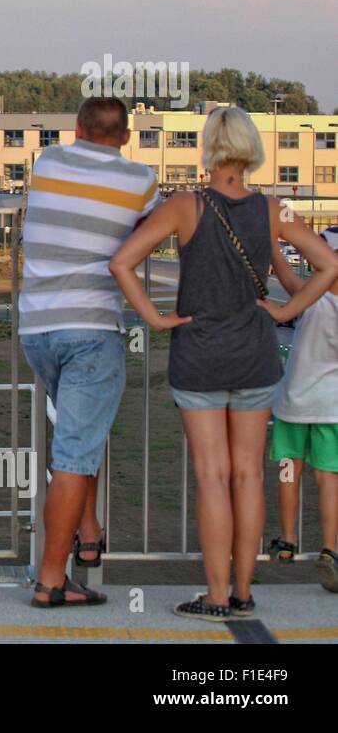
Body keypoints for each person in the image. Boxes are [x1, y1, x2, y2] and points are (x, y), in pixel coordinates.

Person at [110, 107, 338, 621]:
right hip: (255, 357)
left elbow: (122, 262)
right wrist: (285, 310)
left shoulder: (184, 207)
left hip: (200, 355)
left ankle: (215, 596)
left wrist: (156, 318)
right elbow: (328, 266)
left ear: (209, 147)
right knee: (247, 477)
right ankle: (242, 591)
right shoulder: (274, 209)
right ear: (252, 148)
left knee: (211, 477)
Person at [21, 96, 159, 608]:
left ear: (77, 128)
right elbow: (145, 237)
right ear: (125, 136)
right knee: (75, 452)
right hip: (92, 328)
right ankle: (51, 580)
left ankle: (90, 532)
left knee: (80, 434)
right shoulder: (142, 180)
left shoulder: (49, 162)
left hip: (37, 329)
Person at [267, 227, 338, 590]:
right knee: (328, 477)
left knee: (287, 470)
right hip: (333, 408)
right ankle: (330, 548)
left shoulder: (311, 297)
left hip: (294, 401)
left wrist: (273, 244)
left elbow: (284, 273)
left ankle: (287, 540)